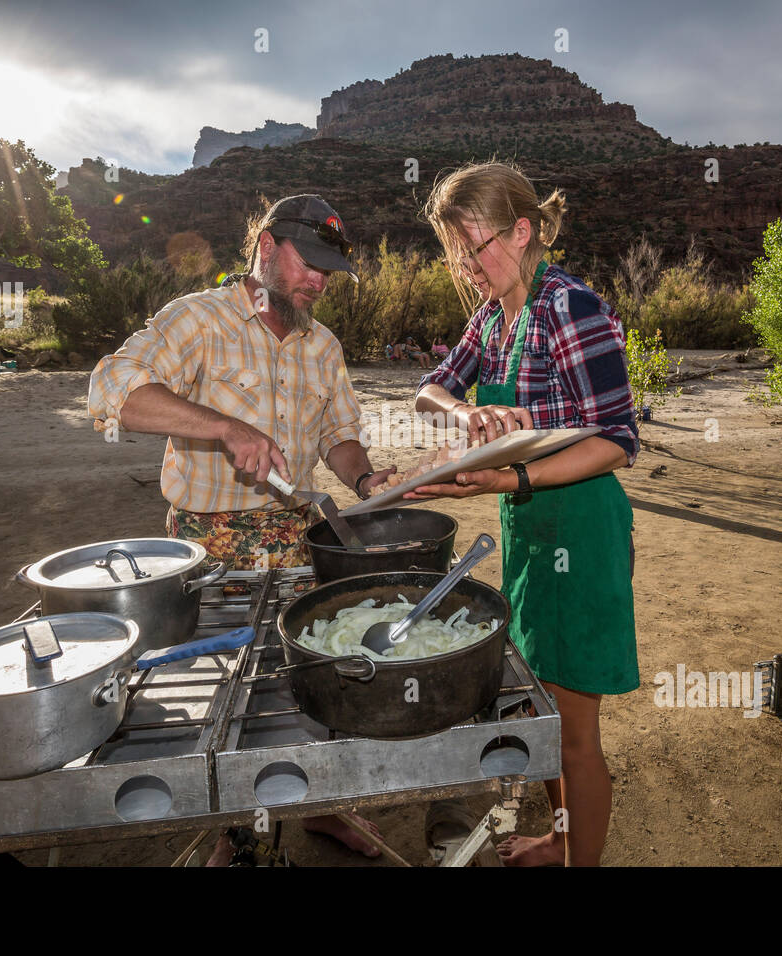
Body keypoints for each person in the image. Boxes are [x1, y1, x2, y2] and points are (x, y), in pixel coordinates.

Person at [88, 193, 396, 863]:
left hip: (298, 539)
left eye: (327, 271)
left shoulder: (323, 346)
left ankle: (325, 806)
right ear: (265, 248)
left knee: (312, 679)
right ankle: (234, 834)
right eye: (306, 263)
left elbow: (340, 435)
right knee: (228, 692)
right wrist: (223, 426)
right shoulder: (199, 320)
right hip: (211, 544)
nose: (317, 281)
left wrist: (368, 481)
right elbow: (111, 387)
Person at [409, 162, 639, 867]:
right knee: (540, 712)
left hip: (582, 527)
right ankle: (559, 837)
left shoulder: (569, 306)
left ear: (523, 229)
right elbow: (429, 389)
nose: (467, 267)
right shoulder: (492, 317)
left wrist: (511, 474)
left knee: (573, 733)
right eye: (456, 253)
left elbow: (616, 440)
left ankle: (581, 860)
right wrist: (467, 409)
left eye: (475, 248)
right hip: (530, 528)